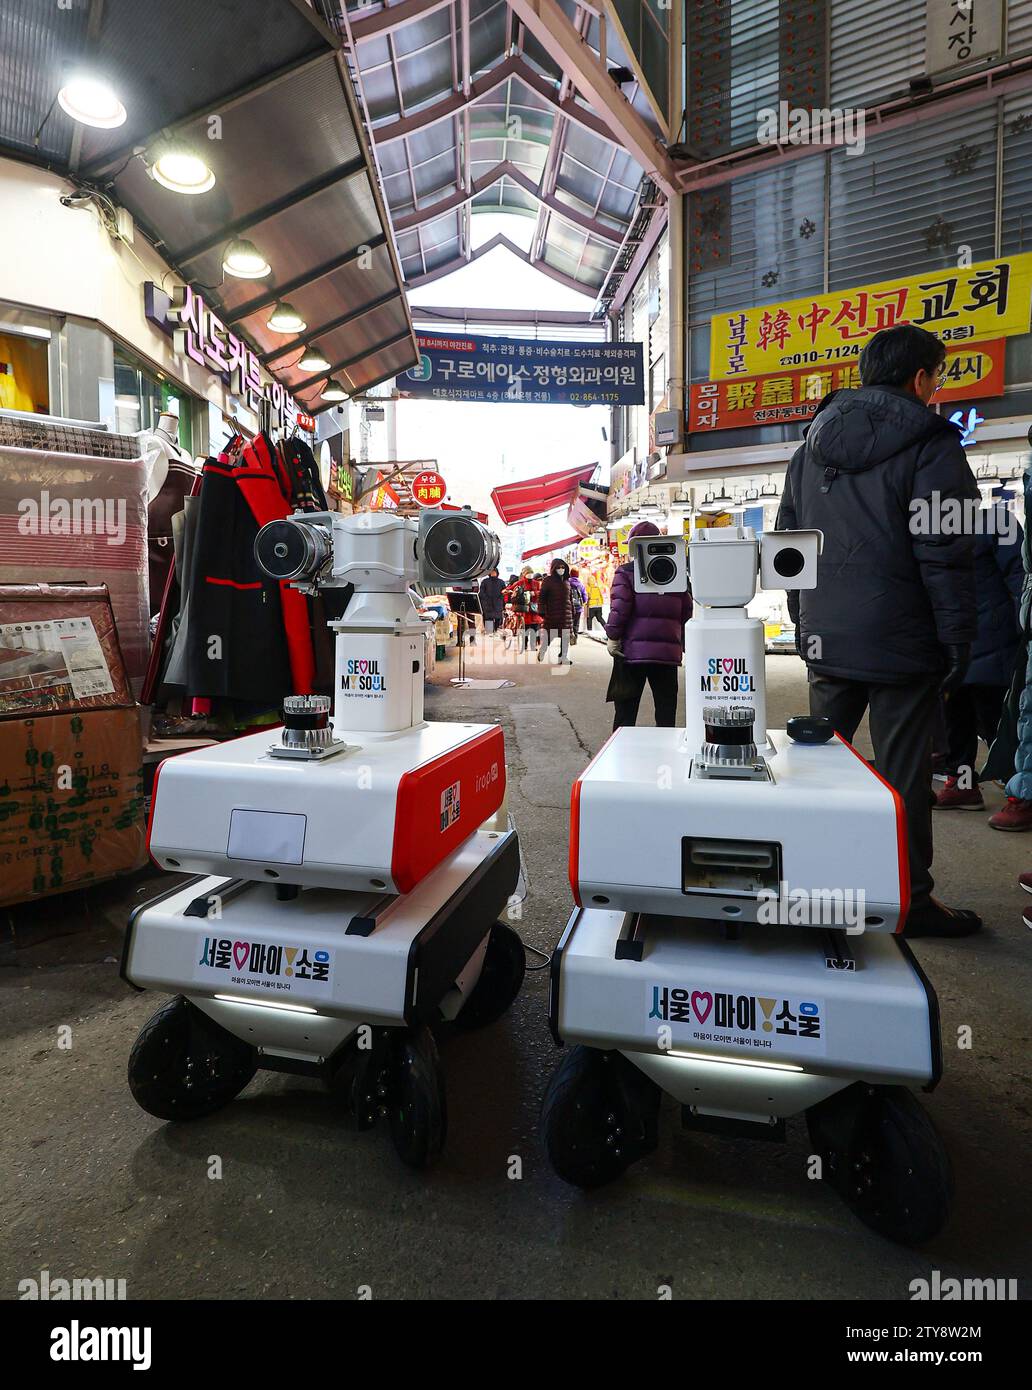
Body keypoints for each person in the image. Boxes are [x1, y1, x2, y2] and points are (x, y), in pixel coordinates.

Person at [776, 323, 981, 939]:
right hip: (903, 644)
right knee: (901, 778)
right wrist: (957, 639)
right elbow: (946, 549)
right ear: (920, 378)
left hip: (827, 640)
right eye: (938, 377)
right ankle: (909, 901)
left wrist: (802, 612)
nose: (937, 390)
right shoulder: (933, 444)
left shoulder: (809, 447)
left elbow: (789, 545)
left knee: (815, 772)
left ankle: (809, 890)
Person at [934, 495, 1023, 812]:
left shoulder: (997, 523)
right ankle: (962, 785)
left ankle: (1021, 793)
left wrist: (1022, 627)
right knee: (955, 725)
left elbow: (1020, 576)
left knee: (1000, 726)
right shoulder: (928, 532)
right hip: (950, 647)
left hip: (992, 644)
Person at [605, 520, 692, 728]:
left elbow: (620, 608)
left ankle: (622, 754)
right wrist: (680, 640)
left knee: (626, 713)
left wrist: (613, 636)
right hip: (667, 656)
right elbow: (686, 611)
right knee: (665, 711)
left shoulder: (626, 572)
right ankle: (665, 754)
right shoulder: (675, 573)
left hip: (631, 654)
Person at [538, 557, 575, 664]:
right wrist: (542, 611)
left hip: (566, 615)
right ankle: (543, 650)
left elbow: (570, 598)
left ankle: (563, 657)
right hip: (552, 614)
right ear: (554, 568)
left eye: (563, 567)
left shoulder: (567, 582)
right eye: (558, 567)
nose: (561, 569)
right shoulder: (548, 581)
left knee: (566, 637)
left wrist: (572, 611)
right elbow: (542, 597)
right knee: (550, 636)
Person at [510, 566, 542, 653]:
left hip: (534, 607)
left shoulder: (536, 583)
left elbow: (540, 592)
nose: (530, 575)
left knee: (535, 627)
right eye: (528, 573)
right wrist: (506, 590)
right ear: (524, 574)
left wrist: (534, 593)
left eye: (531, 573)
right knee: (526, 628)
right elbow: (512, 588)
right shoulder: (520, 583)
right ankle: (524, 644)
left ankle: (533, 645)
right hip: (524, 607)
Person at [478, 567, 506, 636]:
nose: (493, 573)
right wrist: (485, 599)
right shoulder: (485, 581)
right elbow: (481, 592)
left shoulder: (501, 582)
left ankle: (495, 630)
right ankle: (489, 633)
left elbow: (504, 592)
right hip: (488, 604)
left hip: (497, 603)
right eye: (492, 572)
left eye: (494, 572)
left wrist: (501, 599)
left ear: (497, 573)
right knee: (488, 619)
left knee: (497, 618)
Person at [568, 567, 587, 644]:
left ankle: (570, 636)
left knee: (570, 622)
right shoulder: (581, 584)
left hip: (569, 607)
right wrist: (583, 602)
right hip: (578, 607)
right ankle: (575, 637)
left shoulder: (567, 583)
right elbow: (584, 596)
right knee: (576, 623)